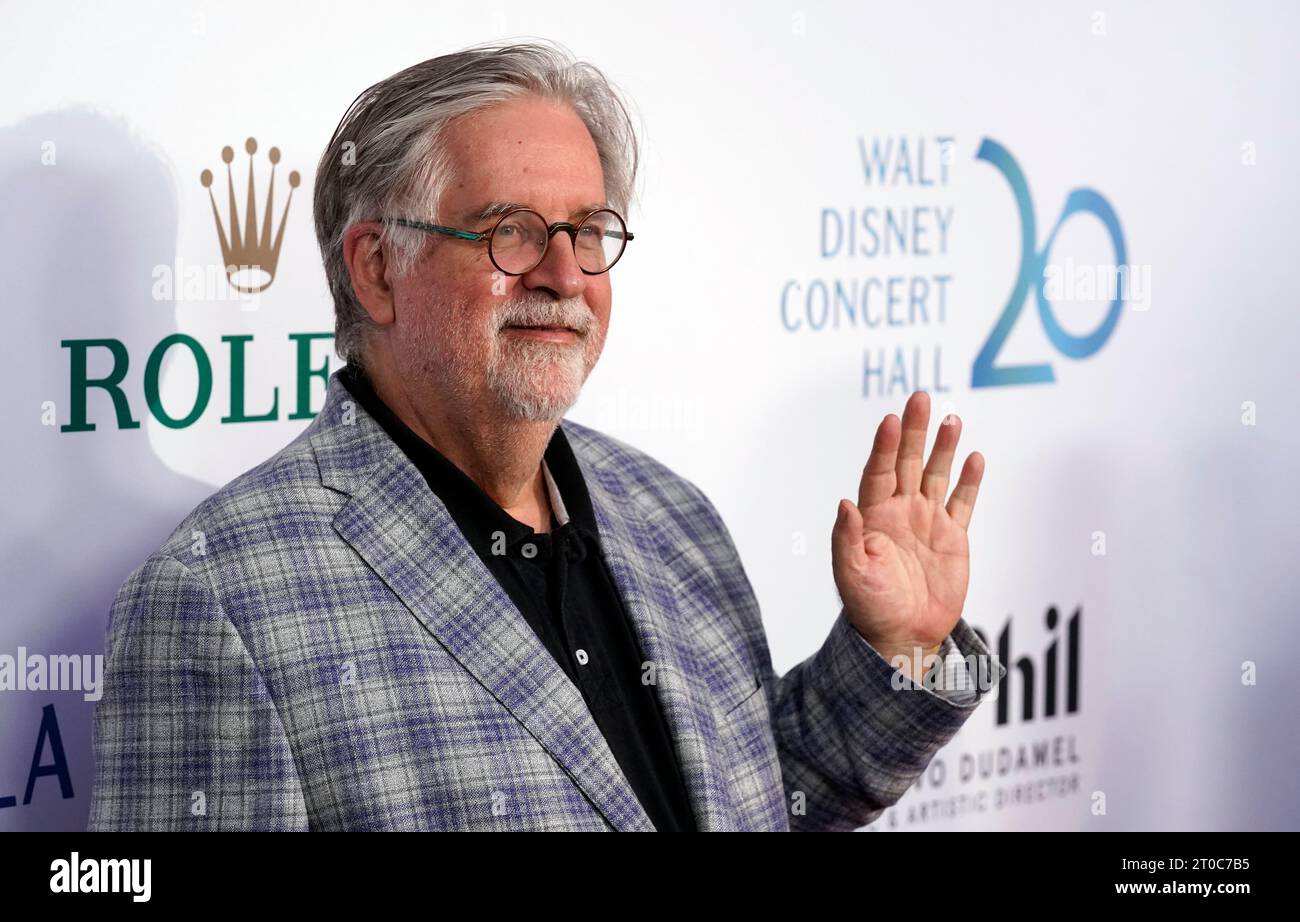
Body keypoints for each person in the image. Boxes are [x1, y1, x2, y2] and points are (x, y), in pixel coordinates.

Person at [88, 40, 1004, 831]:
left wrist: (899, 651)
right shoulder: (218, 600)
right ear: (376, 269)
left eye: (590, 230)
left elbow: (758, 806)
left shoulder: (671, 514)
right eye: (510, 232)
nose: (565, 273)